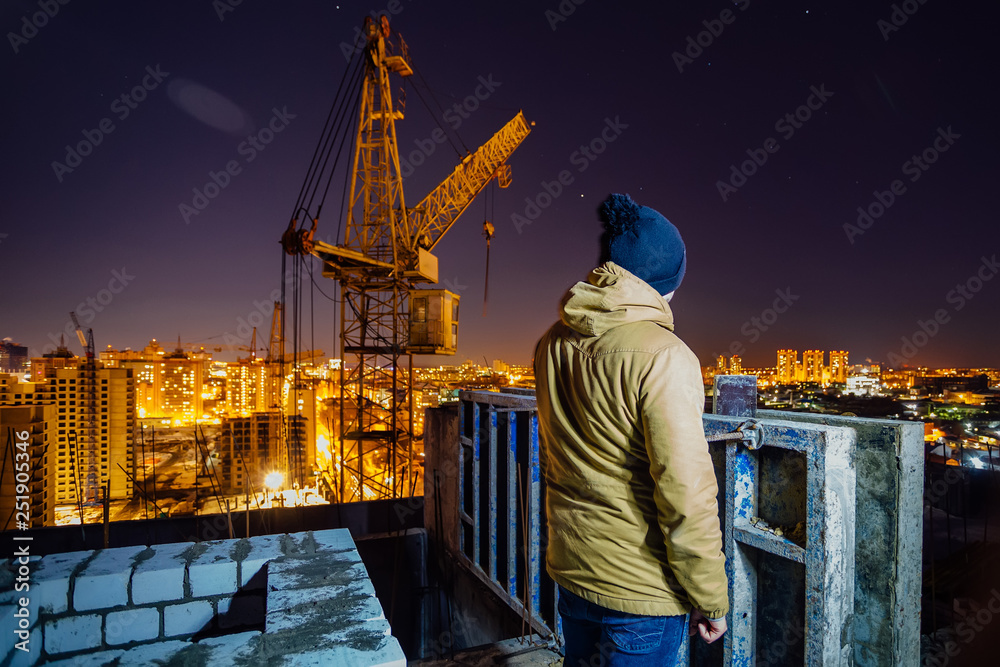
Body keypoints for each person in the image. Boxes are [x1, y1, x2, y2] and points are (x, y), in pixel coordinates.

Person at [533, 193, 729, 665]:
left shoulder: (552, 343)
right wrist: (711, 597)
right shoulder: (665, 356)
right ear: (666, 282)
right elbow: (685, 490)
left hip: (573, 572)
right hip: (640, 593)